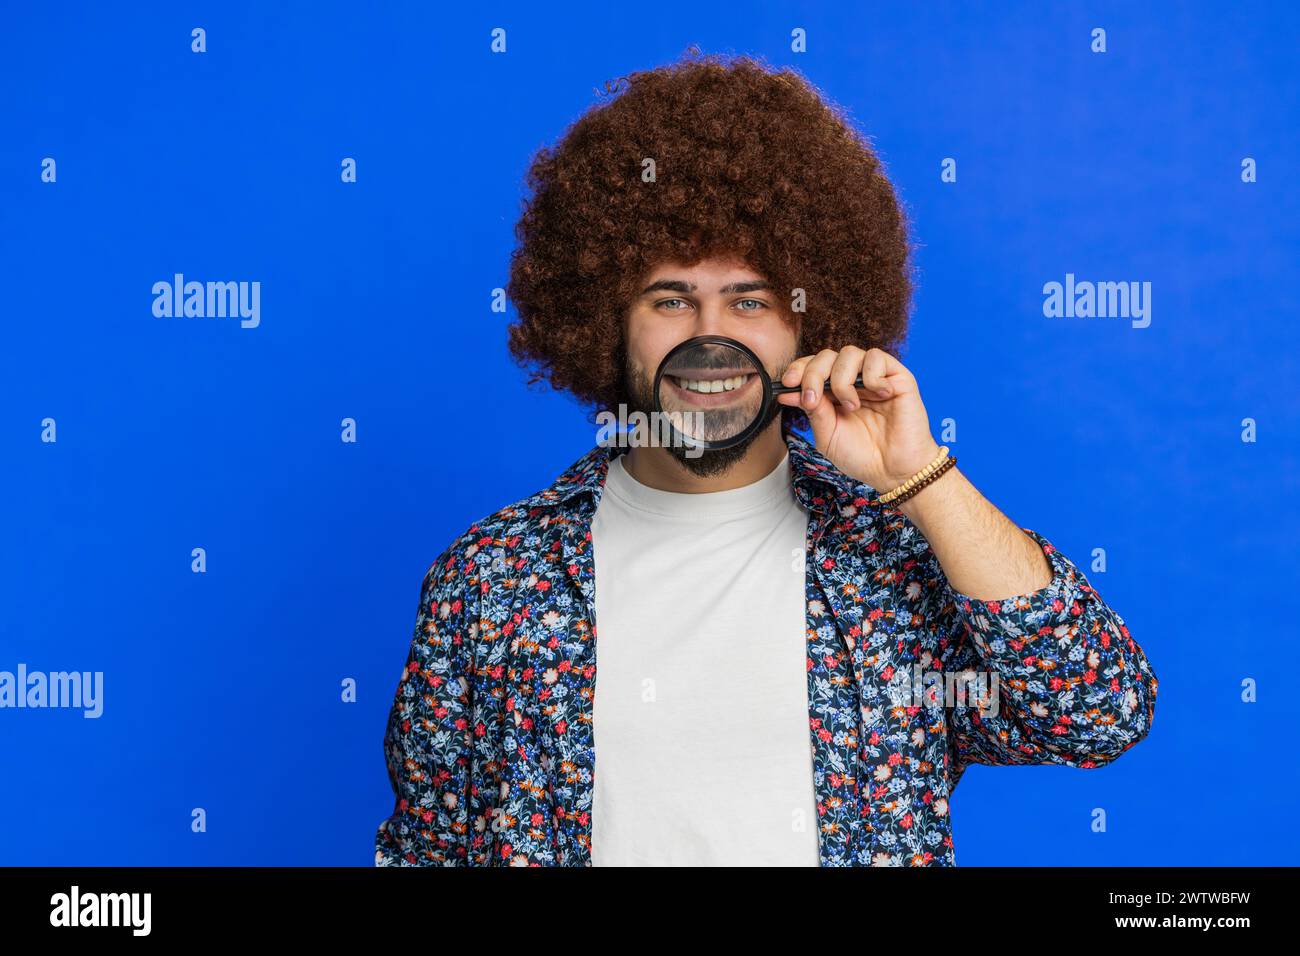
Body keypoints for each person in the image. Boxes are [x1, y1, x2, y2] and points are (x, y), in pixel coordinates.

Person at [375, 50, 1158, 867]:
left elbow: (1098, 713)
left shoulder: (890, 562)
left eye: (750, 299)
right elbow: (429, 849)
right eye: (670, 298)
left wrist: (919, 478)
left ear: (811, 326)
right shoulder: (492, 581)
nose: (708, 336)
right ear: (607, 319)